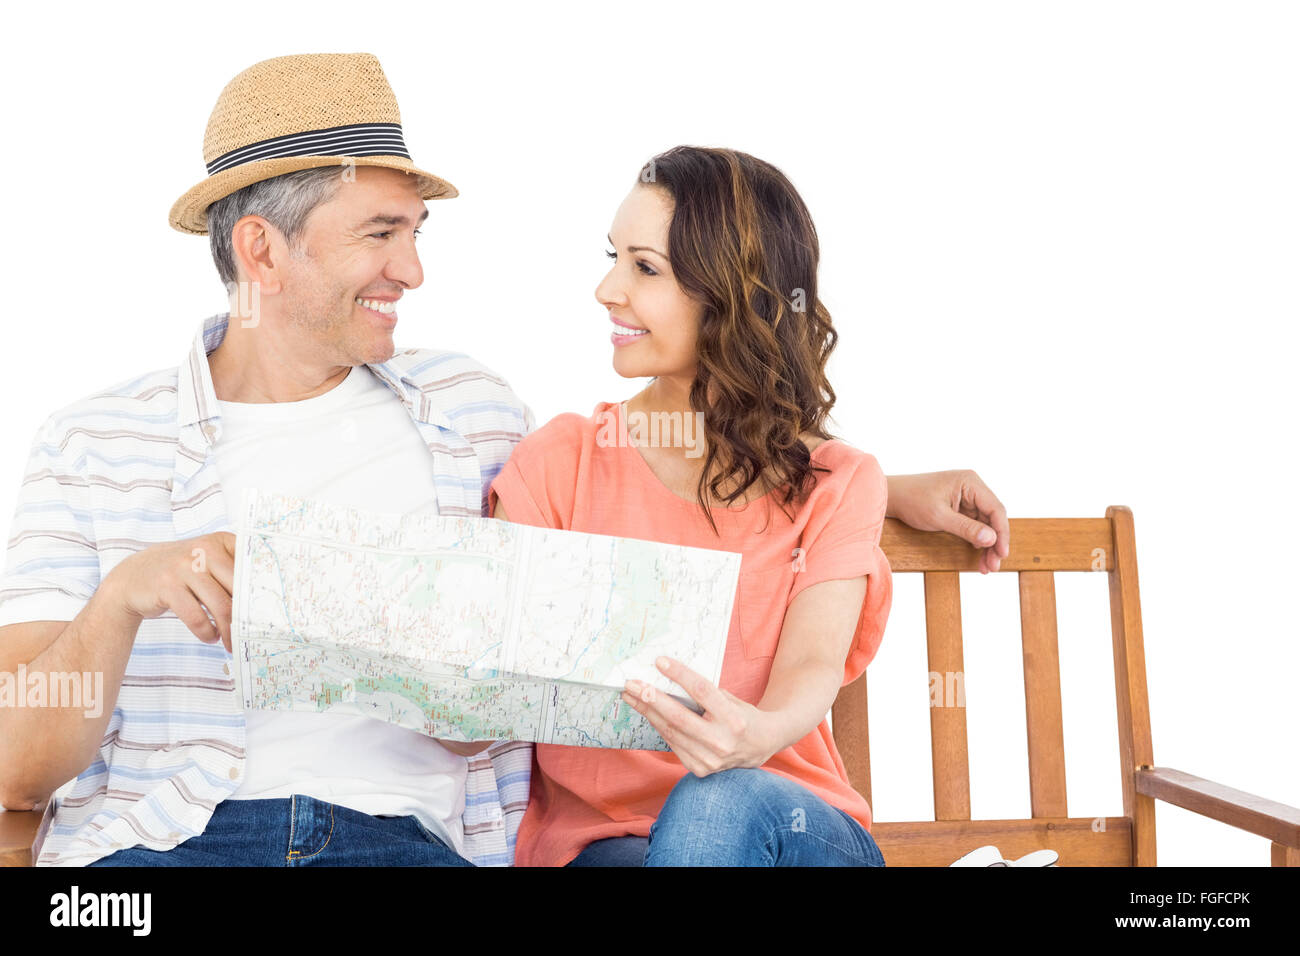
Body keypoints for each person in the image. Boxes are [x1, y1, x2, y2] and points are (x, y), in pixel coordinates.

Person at [0, 53, 1008, 868]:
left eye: (417, 232)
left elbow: (697, 461)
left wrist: (879, 487)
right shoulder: (91, 445)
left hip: (403, 841)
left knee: (709, 817)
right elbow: (15, 767)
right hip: (165, 844)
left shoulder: (469, 414)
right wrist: (125, 597)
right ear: (263, 251)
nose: (415, 269)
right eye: (381, 233)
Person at [491, 146, 912, 866]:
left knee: (718, 796)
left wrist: (758, 733)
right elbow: (489, 668)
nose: (606, 289)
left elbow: (812, 663)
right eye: (613, 256)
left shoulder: (836, 483)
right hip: (611, 843)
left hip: (795, 832)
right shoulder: (560, 463)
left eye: (644, 267)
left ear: (734, 297)